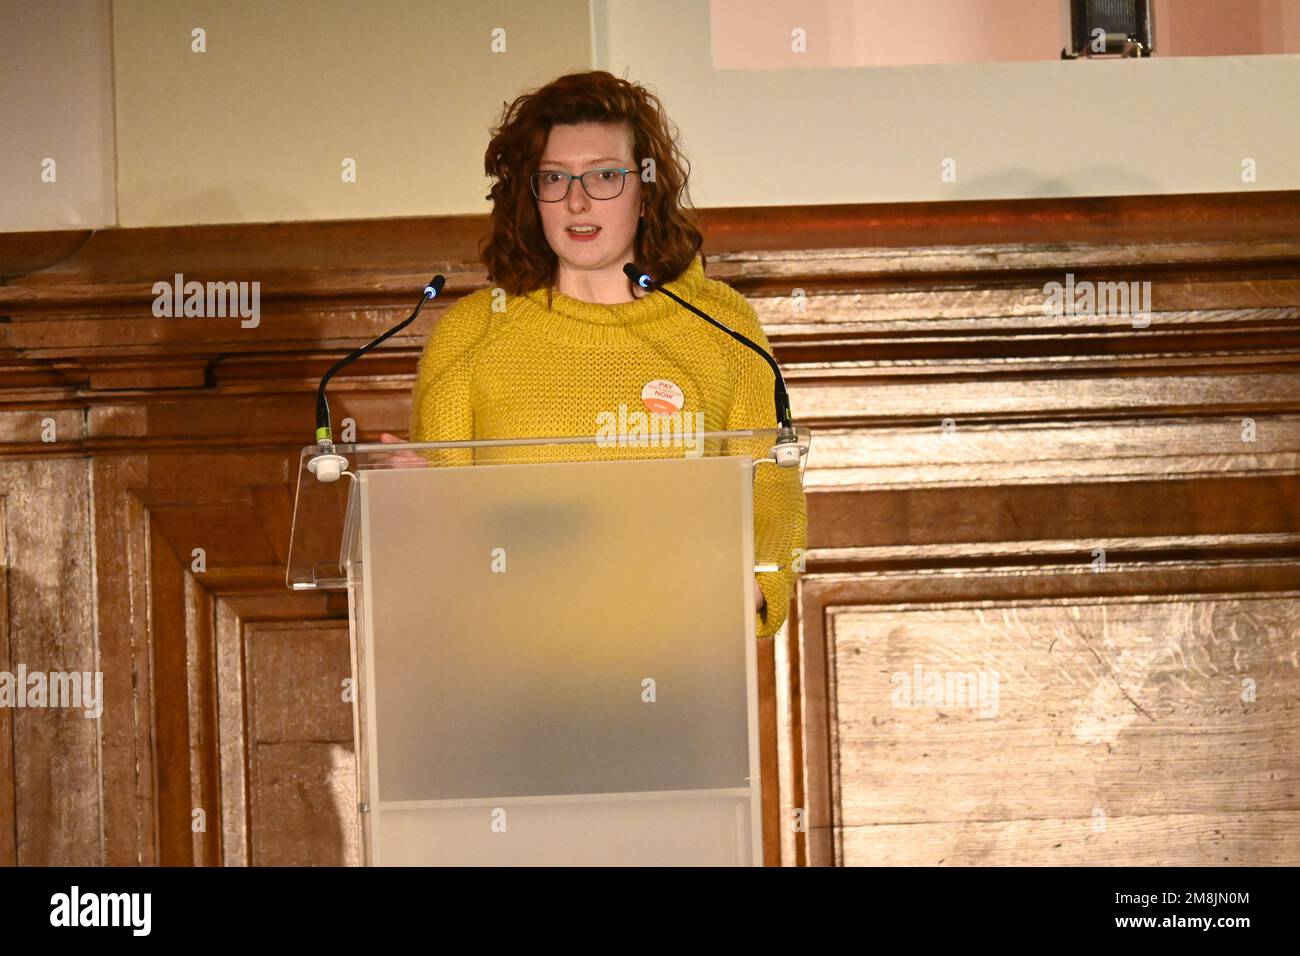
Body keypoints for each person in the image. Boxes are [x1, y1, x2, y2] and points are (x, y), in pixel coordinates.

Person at [382, 70, 806, 638]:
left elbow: (772, 493)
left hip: (680, 667)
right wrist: (417, 507)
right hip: (510, 672)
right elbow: (448, 554)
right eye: (554, 178)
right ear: (530, 196)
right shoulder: (472, 335)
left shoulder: (722, 325)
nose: (578, 201)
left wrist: (750, 585)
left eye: (605, 175)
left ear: (647, 187)